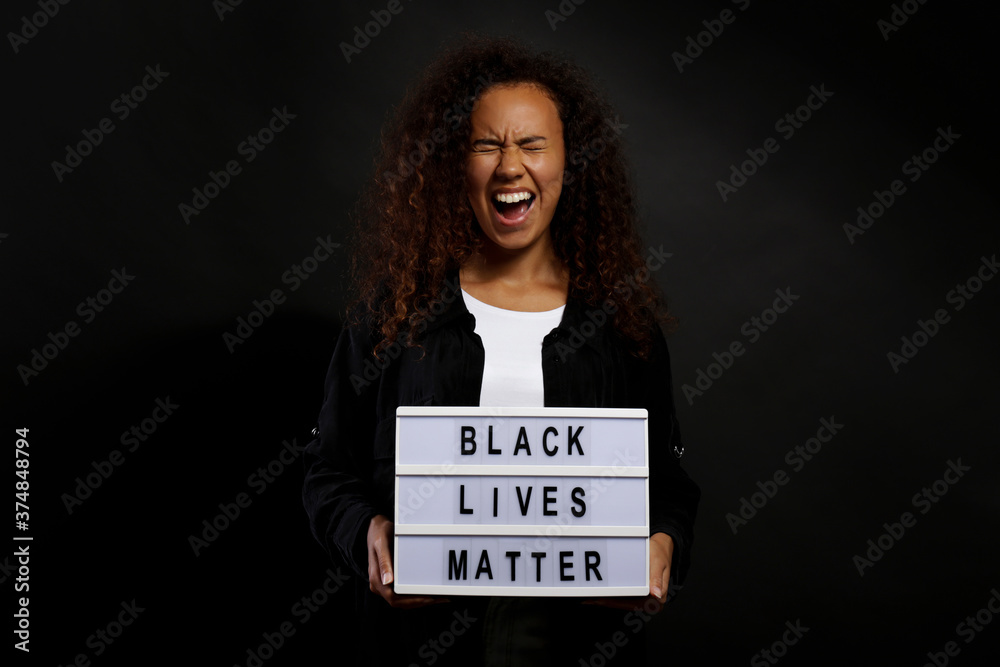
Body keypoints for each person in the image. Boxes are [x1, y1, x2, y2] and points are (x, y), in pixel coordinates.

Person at [302, 34, 700, 666]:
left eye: (533, 144)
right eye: (486, 145)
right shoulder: (394, 317)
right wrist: (367, 534)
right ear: (453, 165)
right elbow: (328, 470)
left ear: (570, 160)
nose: (510, 167)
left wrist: (663, 543)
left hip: (576, 644)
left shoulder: (623, 327)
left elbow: (669, 484)